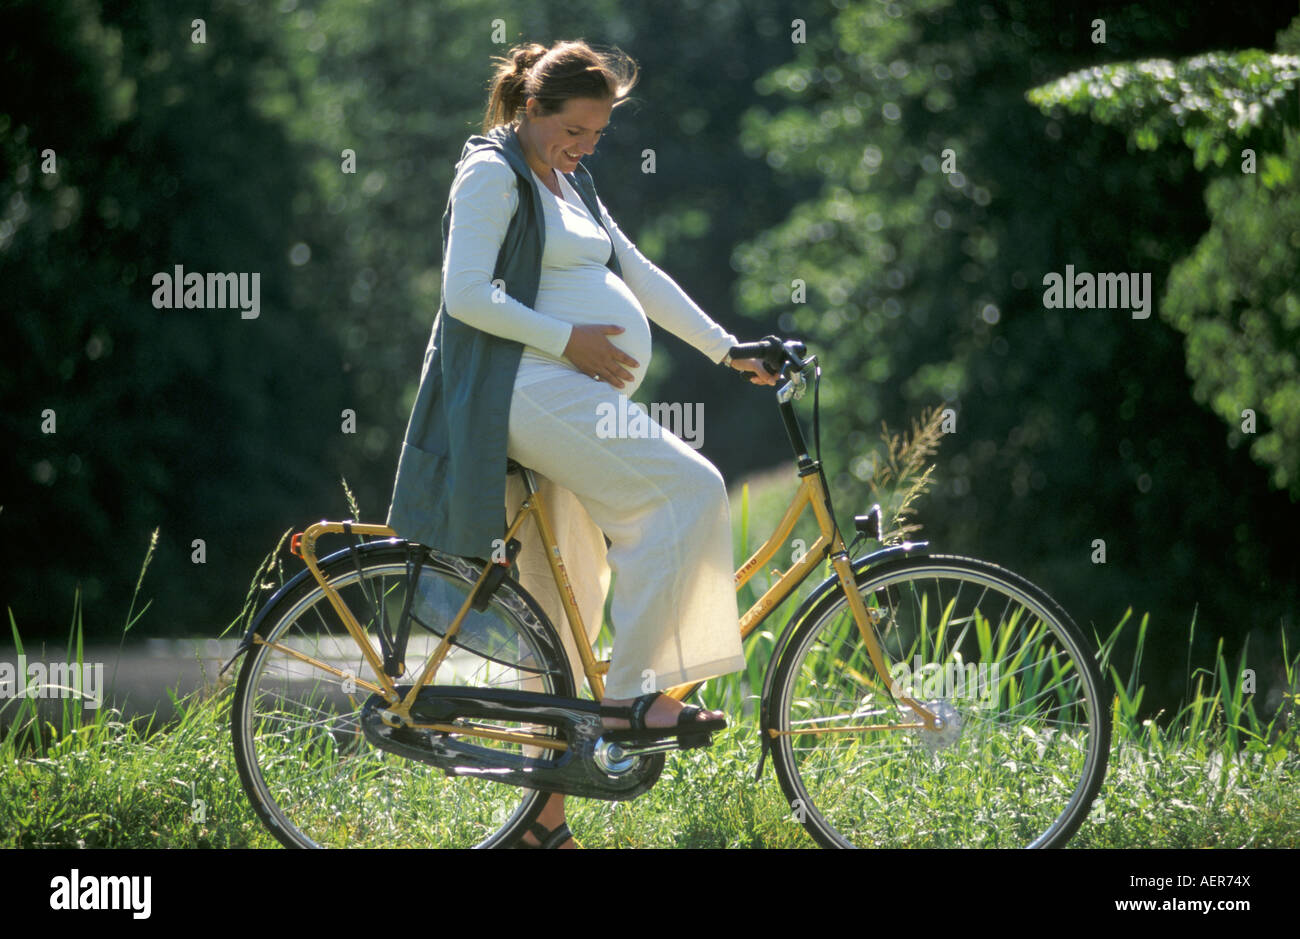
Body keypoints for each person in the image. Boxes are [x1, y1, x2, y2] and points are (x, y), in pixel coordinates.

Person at [386, 39, 776, 849]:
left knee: (566, 610)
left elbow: (635, 271)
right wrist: (568, 339)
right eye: (575, 129)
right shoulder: (492, 172)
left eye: (597, 134)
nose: (585, 145)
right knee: (691, 488)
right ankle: (631, 697)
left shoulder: (569, 180)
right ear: (531, 109)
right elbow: (465, 295)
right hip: (526, 388)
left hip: (567, 393)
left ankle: (541, 826)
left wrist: (725, 347)